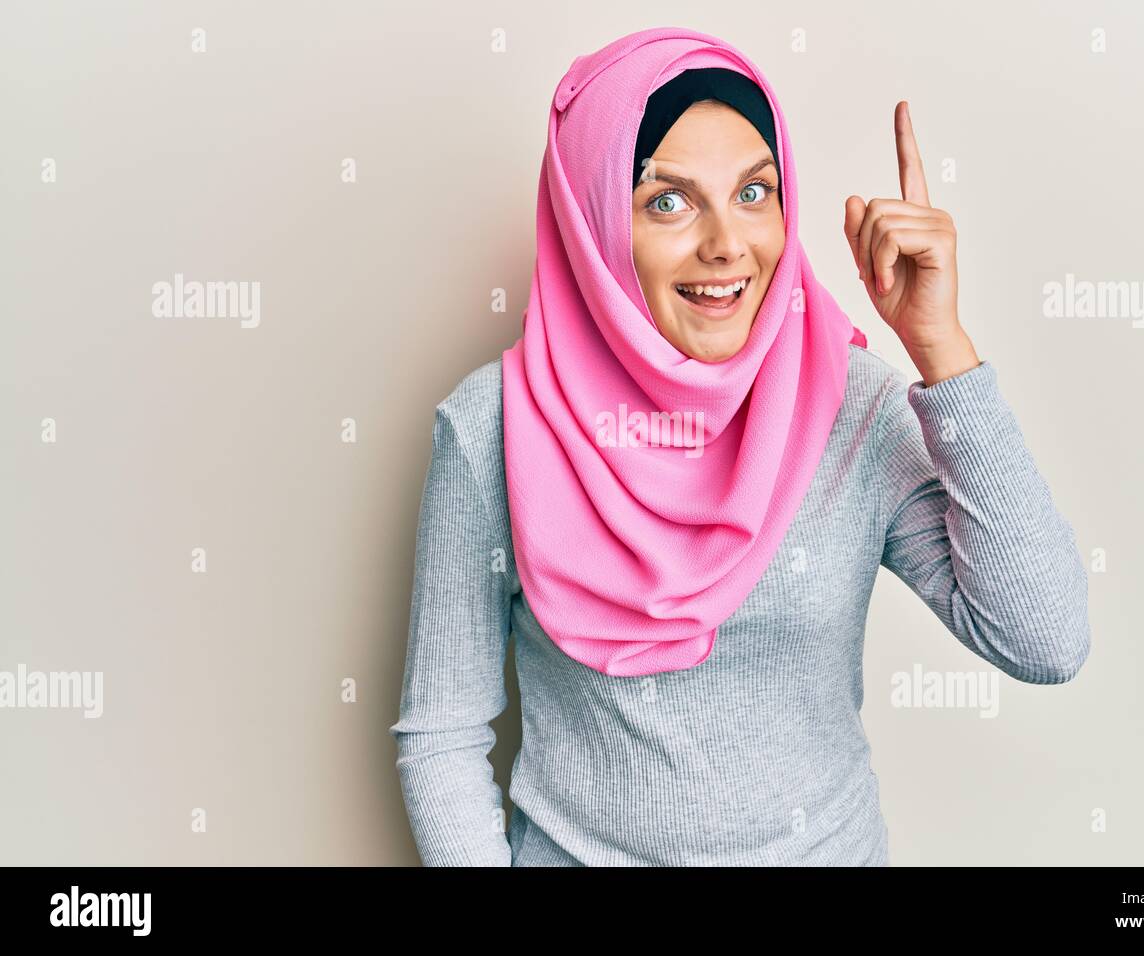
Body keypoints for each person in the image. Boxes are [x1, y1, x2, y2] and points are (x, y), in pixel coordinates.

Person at [388, 27, 1090, 866]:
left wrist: (940, 346)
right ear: (592, 225)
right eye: (669, 201)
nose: (726, 245)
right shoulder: (497, 428)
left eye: (754, 193)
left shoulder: (847, 406)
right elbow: (443, 736)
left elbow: (1043, 639)